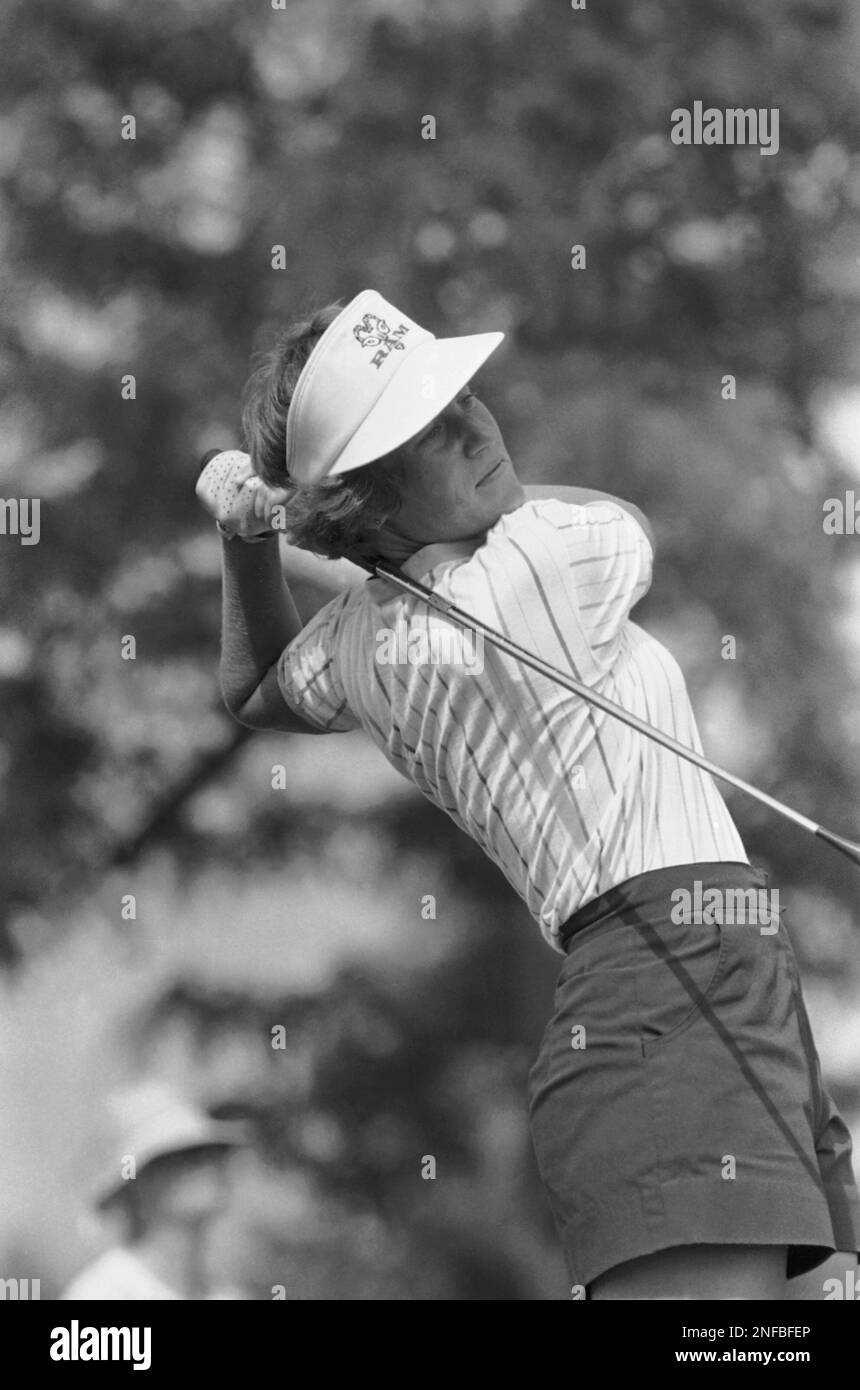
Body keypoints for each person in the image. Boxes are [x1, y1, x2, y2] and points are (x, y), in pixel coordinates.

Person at [195, 288, 860, 1300]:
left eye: (464, 398)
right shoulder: (540, 554)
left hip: (705, 986)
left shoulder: (360, 642)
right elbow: (626, 519)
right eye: (429, 426)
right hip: (668, 988)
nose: (472, 426)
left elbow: (252, 686)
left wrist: (252, 539)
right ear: (366, 499)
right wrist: (318, 519)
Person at [62, 1081, 247, 1300]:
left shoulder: (227, 1295)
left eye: (211, 1152)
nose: (208, 1164)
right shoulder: (103, 1293)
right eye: (184, 1155)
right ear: (141, 1180)